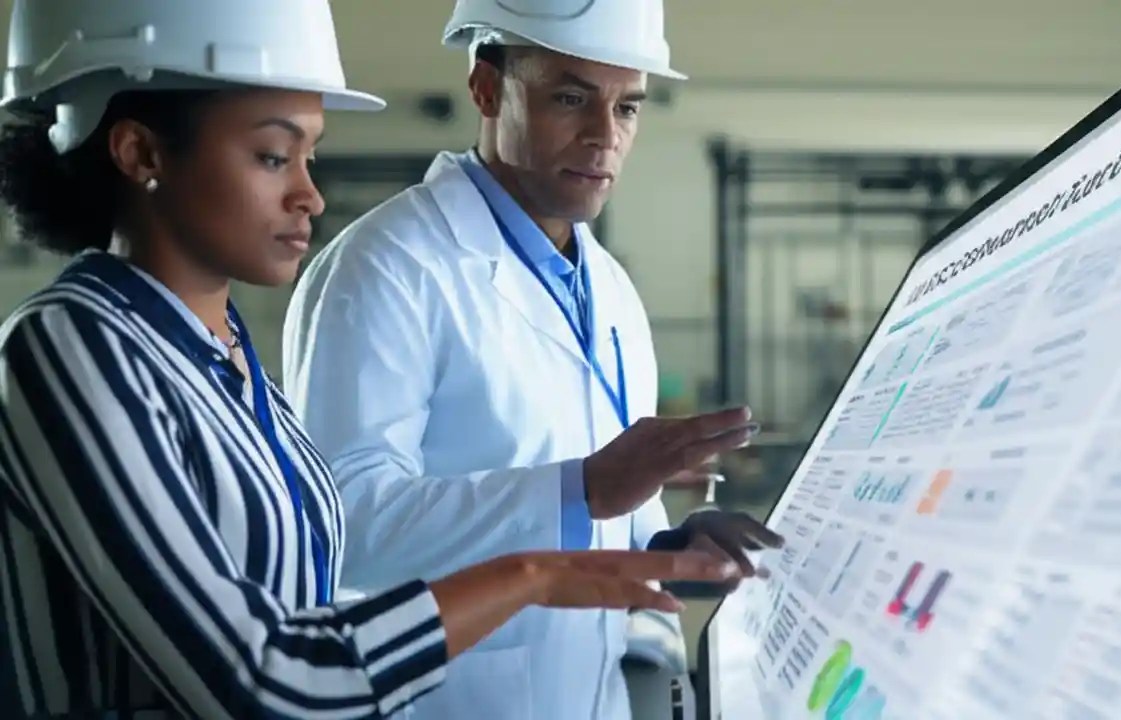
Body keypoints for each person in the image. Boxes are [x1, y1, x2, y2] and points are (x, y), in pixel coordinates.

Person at [0, 1, 743, 718]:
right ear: (141, 153)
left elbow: (306, 583)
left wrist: (666, 547)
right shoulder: (70, 348)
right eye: (271, 155)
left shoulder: (221, 360)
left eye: (307, 156)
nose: (311, 197)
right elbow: (272, 672)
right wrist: (542, 557)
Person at [282, 1, 786, 718]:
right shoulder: (386, 266)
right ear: (487, 87)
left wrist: (675, 542)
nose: (603, 136)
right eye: (572, 97)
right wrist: (577, 490)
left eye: (629, 108)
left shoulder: (609, 289)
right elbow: (344, 531)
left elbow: (614, 513)